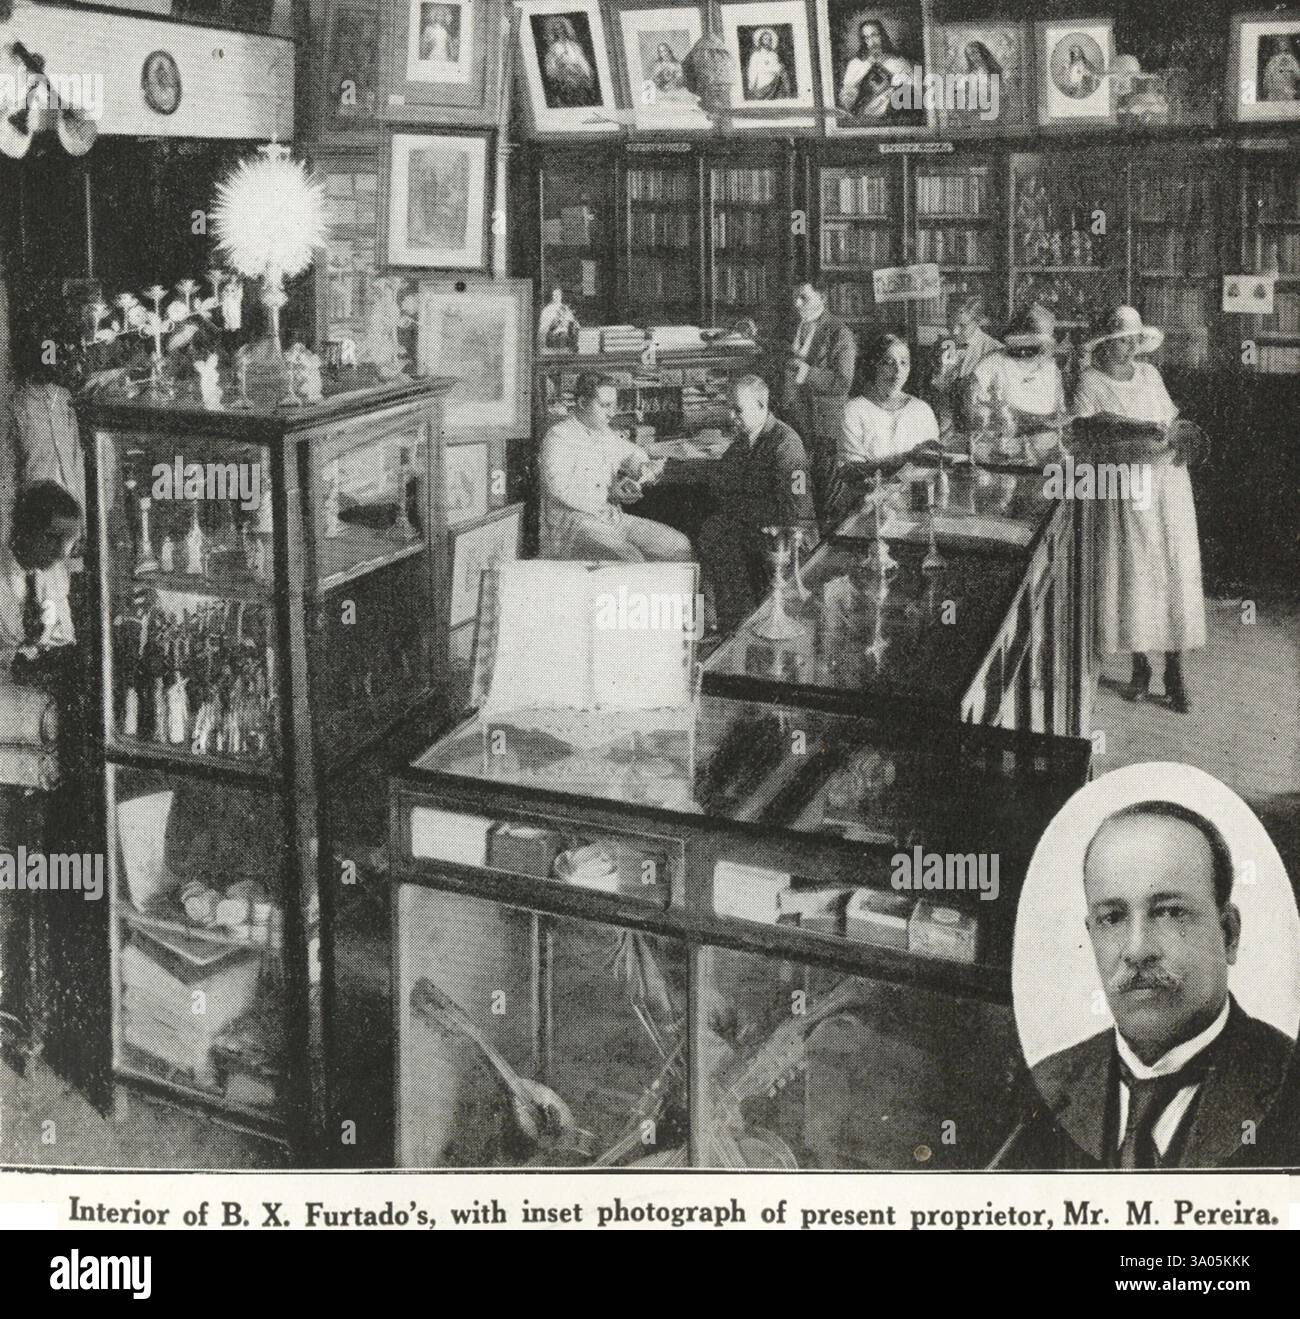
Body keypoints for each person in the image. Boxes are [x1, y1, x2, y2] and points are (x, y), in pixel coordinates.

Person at [1012, 802, 1294, 1169]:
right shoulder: (1045, 1089)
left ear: (1229, 934)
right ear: (1091, 934)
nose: (1137, 950)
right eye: (1112, 918)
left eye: (1170, 912)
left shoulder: (1289, 1087)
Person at [1073, 305, 1206, 712]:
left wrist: (1180, 434)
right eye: (1120, 341)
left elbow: (1170, 419)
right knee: (1136, 574)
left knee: (1173, 571)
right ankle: (1141, 667)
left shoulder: (1150, 375)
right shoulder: (1090, 382)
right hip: (1126, 488)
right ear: (1105, 344)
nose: (1128, 348)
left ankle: (1176, 671)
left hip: (1167, 483)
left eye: (1133, 341)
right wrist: (1131, 431)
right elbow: (1083, 431)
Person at [698, 375, 817, 632]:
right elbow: (723, 481)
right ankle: (733, 624)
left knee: (719, 536)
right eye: (729, 408)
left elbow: (796, 508)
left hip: (787, 536)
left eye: (737, 410)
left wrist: (741, 509)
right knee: (712, 530)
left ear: (761, 406)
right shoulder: (746, 439)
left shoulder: (787, 445)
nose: (731, 416)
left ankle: (738, 626)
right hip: (756, 525)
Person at [538, 372, 690, 563]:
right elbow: (559, 489)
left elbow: (631, 452)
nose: (612, 413)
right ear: (583, 403)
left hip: (610, 517)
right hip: (573, 525)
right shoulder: (559, 437)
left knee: (678, 545)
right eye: (604, 406)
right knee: (630, 559)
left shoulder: (604, 432)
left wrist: (644, 467)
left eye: (613, 406)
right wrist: (610, 494)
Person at [828, 333, 938, 526]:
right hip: (866, 508)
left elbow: (931, 470)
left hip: (914, 506)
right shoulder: (854, 410)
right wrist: (906, 458)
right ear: (873, 365)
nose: (897, 371)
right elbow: (851, 472)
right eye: (888, 362)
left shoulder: (921, 410)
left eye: (904, 363)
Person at [1, 326, 86, 550]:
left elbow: (77, 457)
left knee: (61, 568)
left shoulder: (64, 398)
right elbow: (11, 463)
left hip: (68, 499)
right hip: (37, 504)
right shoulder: (18, 403)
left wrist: (82, 516)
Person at [781, 281, 856, 526]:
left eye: (803, 297)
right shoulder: (793, 326)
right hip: (795, 423)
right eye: (794, 297)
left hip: (823, 429)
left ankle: (822, 542)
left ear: (822, 297)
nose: (796, 303)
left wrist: (807, 373)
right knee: (797, 485)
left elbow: (843, 382)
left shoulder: (839, 332)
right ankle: (800, 529)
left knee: (826, 493)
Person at [0, 480, 81, 677]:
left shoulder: (55, 571)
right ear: (25, 530)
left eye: (70, 541)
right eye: (53, 538)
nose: (62, 553)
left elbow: (63, 636)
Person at [966, 303, 1067, 432]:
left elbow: (1059, 410)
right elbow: (972, 399)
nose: (1031, 350)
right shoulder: (994, 362)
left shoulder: (1050, 367)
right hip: (1002, 434)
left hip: (1042, 436)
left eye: (1040, 345)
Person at [542, 17, 597, 107]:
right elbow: (550, 69)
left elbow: (582, 62)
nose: (559, 31)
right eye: (556, 29)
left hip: (579, 78)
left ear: (566, 29)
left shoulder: (574, 46)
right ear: (553, 32)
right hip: (563, 80)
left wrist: (588, 75)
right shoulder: (553, 48)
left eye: (561, 28)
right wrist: (561, 70)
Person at [745, 27, 791, 100]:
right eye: (765, 39)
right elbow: (752, 71)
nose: (768, 41)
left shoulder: (774, 55)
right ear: (761, 40)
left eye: (770, 39)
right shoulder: (756, 55)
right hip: (762, 86)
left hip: (775, 84)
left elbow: (778, 69)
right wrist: (751, 85)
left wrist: (779, 69)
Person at [1260, 34, 1300, 101]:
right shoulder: (1273, 60)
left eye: (1283, 43)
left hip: (1286, 91)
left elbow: (1297, 74)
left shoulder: (1290, 59)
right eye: (1280, 43)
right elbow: (1267, 77)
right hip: (1275, 92)